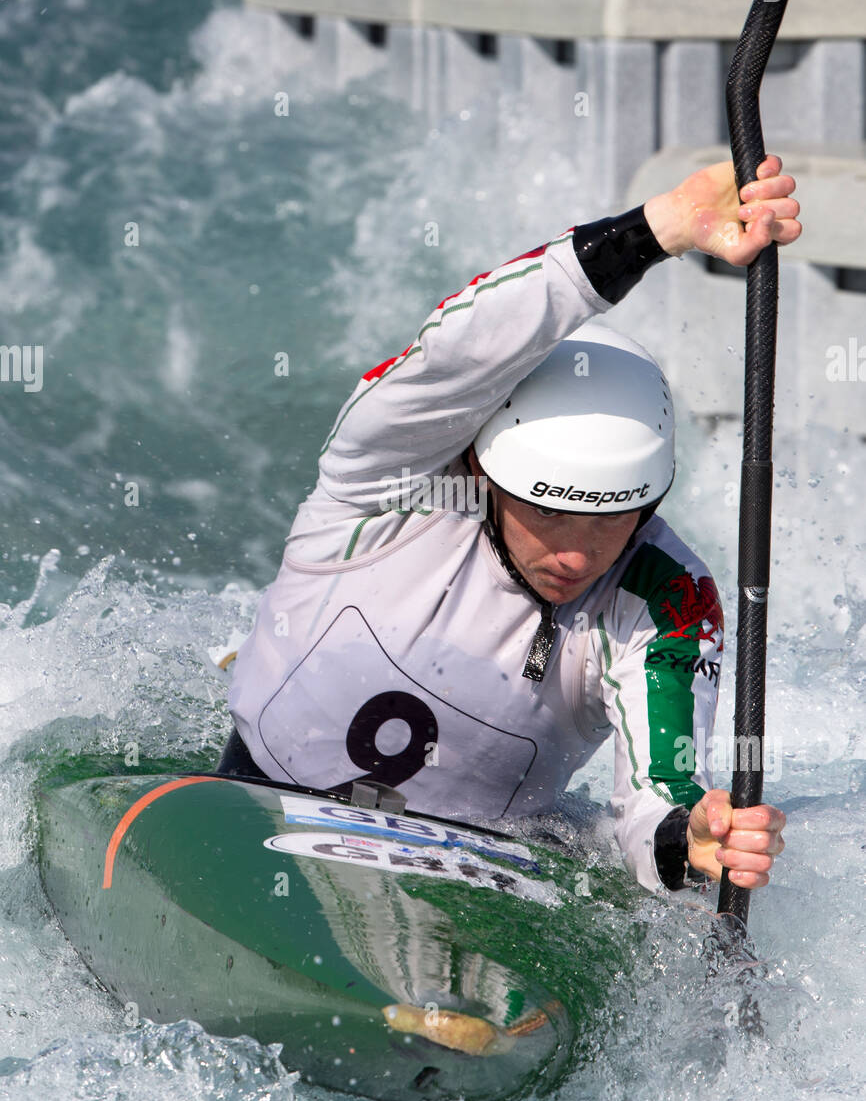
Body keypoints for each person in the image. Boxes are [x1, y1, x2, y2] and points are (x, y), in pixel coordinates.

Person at [224, 156, 797, 895]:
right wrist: (657, 230)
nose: (575, 552)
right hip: (251, 797)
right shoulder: (390, 478)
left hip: (474, 880)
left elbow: (659, 793)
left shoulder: (668, 598)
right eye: (546, 508)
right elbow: (463, 344)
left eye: (610, 519)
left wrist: (692, 840)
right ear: (482, 469)